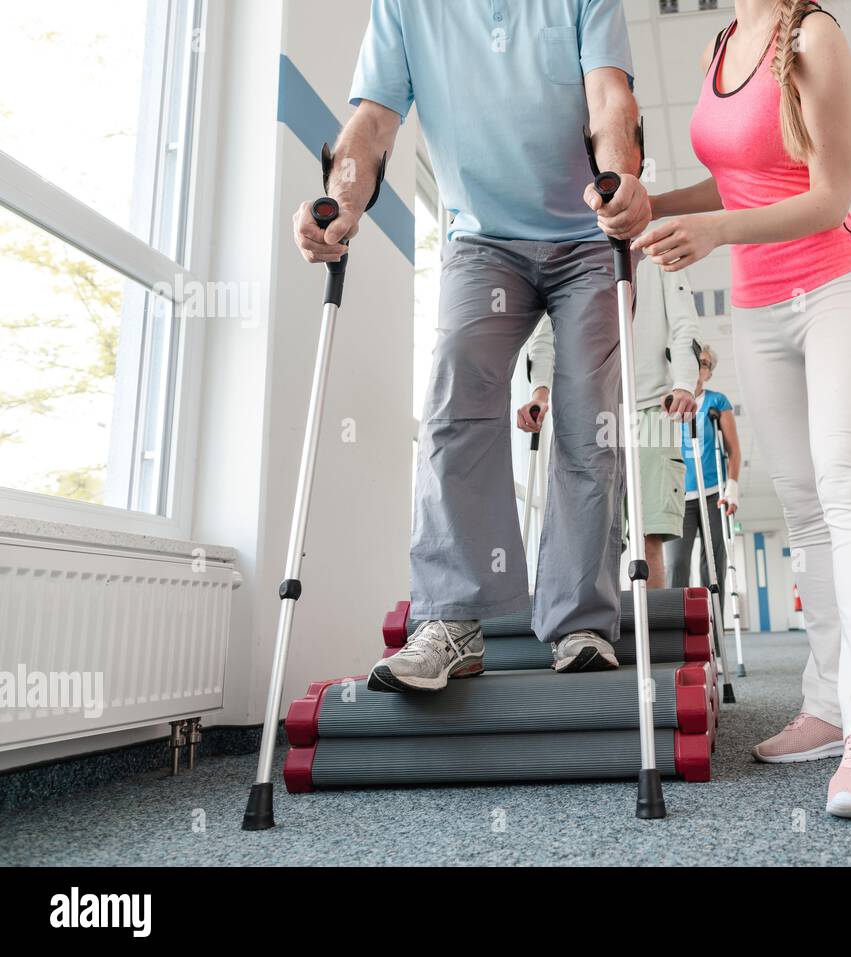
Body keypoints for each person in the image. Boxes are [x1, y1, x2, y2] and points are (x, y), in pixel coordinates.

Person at [292, 0, 652, 689]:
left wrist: (618, 177)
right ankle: (452, 618)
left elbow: (610, 97)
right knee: (455, 397)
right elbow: (372, 123)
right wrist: (341, 201)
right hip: (482, 240)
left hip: (587, 236)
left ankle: (580, 621)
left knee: (589, 421)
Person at [631, 0, 851, 818]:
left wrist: (717, 228)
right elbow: (732, 179)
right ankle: (829, 707)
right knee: (805, 509)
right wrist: (657, 207)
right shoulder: (723, 43)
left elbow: (830, 197)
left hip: (836, 289)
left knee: (849, 483)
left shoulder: (816, 35)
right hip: (761, 310)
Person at [521, 257, 699, 588]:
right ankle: (599, 628)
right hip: (591, 409)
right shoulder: (572, 254)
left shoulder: (661, 256)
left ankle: (651, 627)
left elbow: (684, 325)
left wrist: (684, 384)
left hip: (653, 409)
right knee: (597, 538)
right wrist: (540, 393)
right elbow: (547, 332)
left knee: (649, 538)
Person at [664, 345, 741, 593]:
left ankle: (714, 629)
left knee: (714, 567)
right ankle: (677, 626)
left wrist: (732, 488)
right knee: (676, 565)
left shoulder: (717, 401)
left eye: (705, 364)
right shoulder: (669, 400)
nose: (699, 367)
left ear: (708, 373)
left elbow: (733, 450)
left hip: (712, 495)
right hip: (679, 495)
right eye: (695, 361)